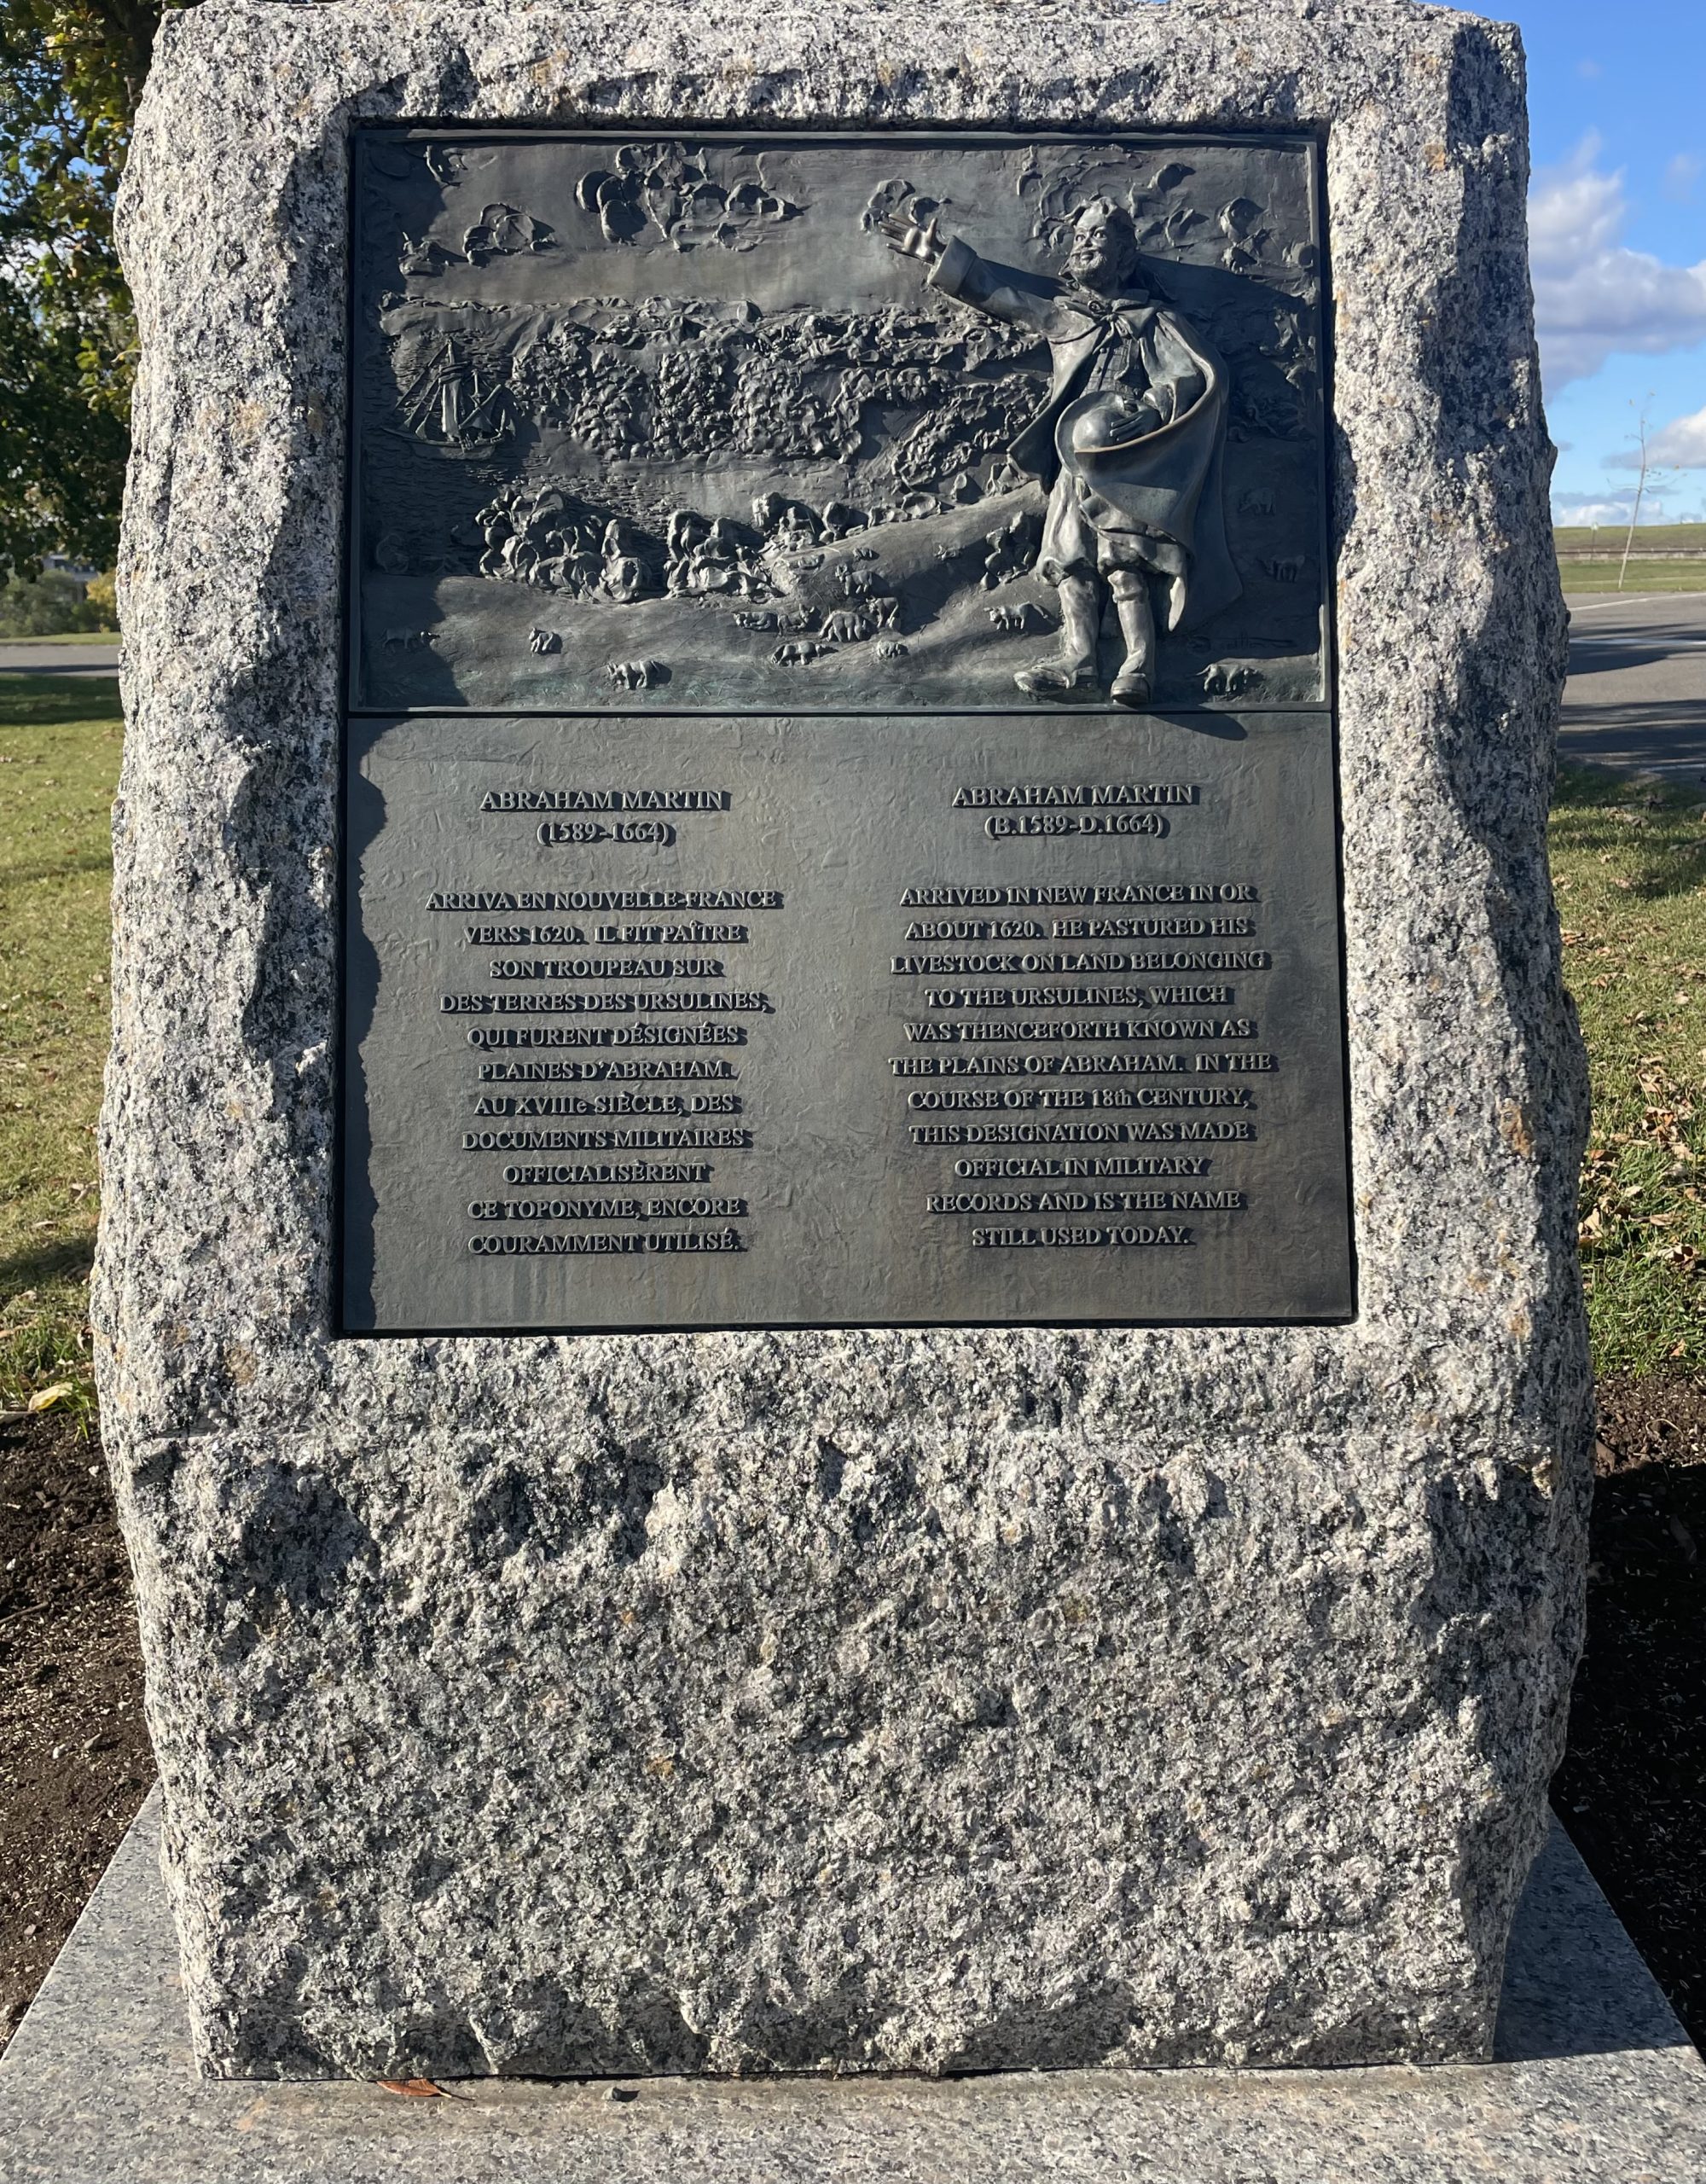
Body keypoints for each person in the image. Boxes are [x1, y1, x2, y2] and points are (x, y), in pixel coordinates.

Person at [879, 199, 1240, 704]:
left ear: (1124, 257)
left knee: (1125, 561)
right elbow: (999, 294)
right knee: (1071, 560)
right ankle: (1081, 661)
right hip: (1074, 463)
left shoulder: (1154, 321)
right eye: (1080, 238)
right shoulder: (1064, 318)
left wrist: (1156, 407)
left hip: (1127, 459)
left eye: (1098, 237)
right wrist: (941, 255)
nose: (1085, 245)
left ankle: (1139, 664)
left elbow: (1196, 377)